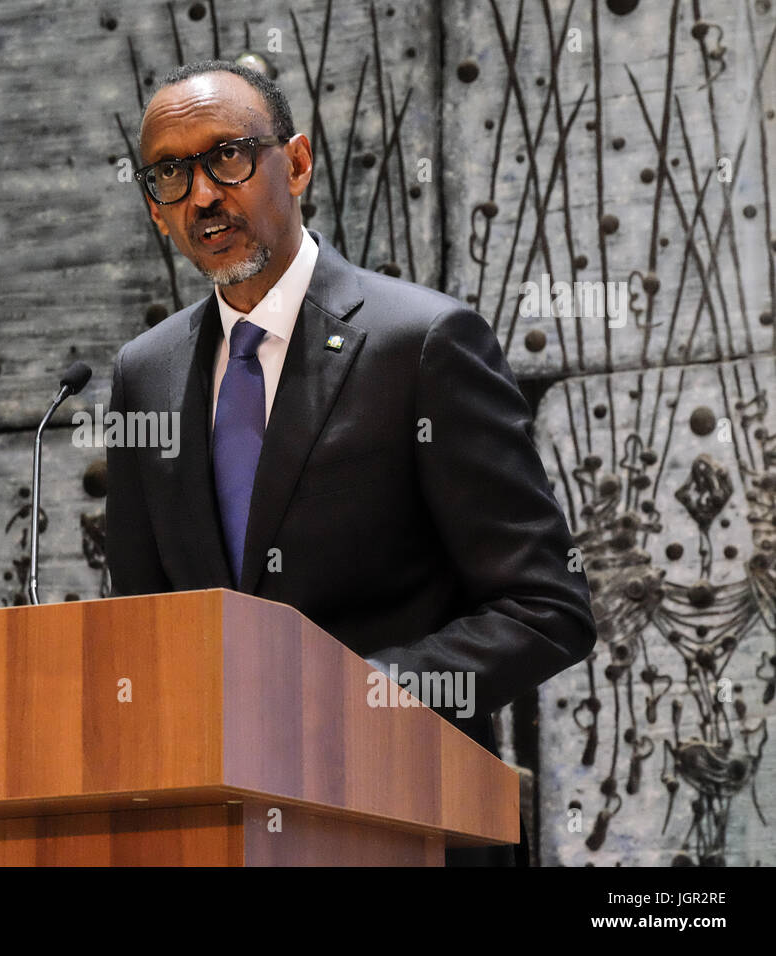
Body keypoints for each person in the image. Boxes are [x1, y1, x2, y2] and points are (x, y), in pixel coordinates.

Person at [105, 60, 598, 866]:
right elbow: (138, 628)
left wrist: (356, 699)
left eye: (227, 156)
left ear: (296, 163)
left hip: (406, 821)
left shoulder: (423, 344)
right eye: (171, 174)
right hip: (214, 837)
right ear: (156, 211)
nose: (202, 195)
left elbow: (547, 608)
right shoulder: (144, 374)